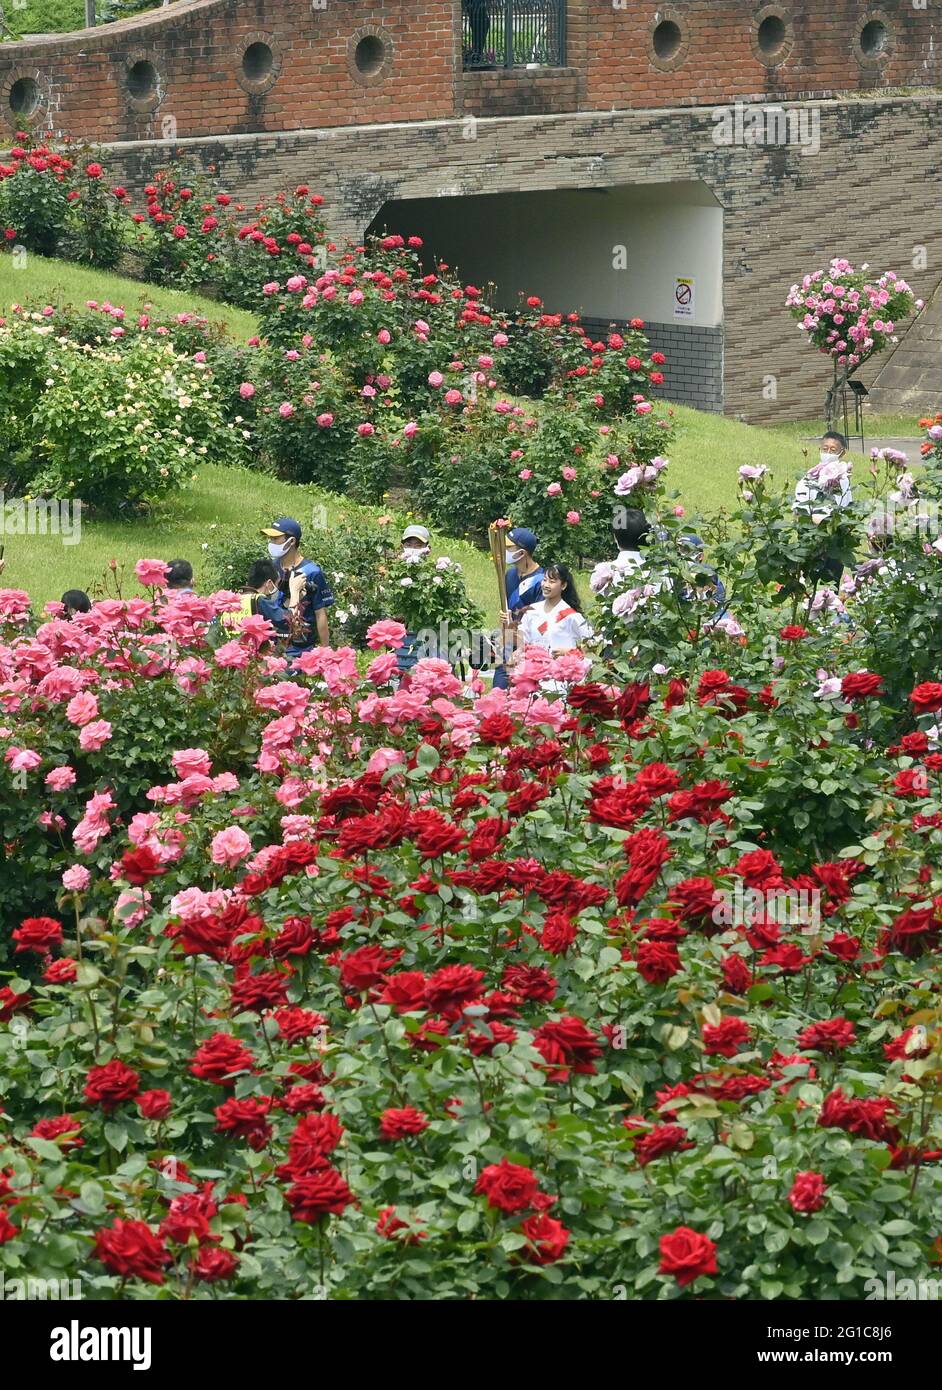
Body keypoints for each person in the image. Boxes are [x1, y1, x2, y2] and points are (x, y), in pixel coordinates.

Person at [260, 516, 334, 663]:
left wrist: (325, 653)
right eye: (270, 539)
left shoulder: (312, 572)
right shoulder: (272, 568)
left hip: (301, 649)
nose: (271, 543)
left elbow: (320, 614)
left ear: (292, 541)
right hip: (273, 648)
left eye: (276, 539)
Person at [793, 430, 853, 586]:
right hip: (811, 539)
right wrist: (821, 522)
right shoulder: (809, 478)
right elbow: (799, 512)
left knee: (831, 586)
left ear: (842, 452)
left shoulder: (844, 481)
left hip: (834, 543)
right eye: (825, 449)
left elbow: (846, 511)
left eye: (833, 450)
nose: (828, 453)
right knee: (809, 584)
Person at [494, 526, 544, 690]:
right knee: (498, 694)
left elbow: (540, 621)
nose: (504, 550)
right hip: (507, 645)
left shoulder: (542, 581)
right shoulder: (509, 575)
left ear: (522, 553)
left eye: (509, 547)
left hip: (527, 648)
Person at [219, 559, 290, 639]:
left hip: (232, 648)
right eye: (277, 583)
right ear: (269, 583)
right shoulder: (259, 600)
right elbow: (286, 621)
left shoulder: (231, 600)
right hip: (252, 648)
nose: (277, 587)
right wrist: (295, 593)